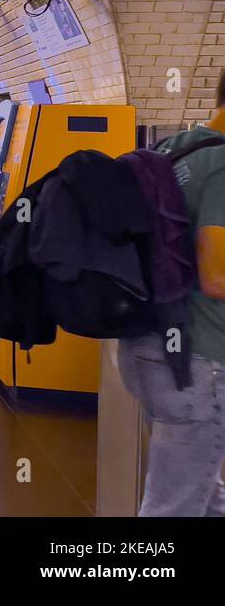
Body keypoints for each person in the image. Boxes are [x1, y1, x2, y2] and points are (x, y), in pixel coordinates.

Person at [118, 72, 225, 516]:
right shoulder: (222, 164)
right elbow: (217, 275)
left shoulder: (172, 149)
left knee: (200, 489)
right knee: (174, 506)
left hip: (147, 347)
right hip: (199, 363)